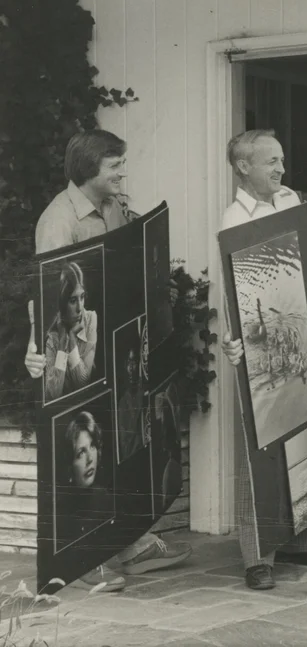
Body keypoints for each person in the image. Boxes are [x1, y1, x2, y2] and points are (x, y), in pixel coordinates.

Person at [23, 129, 191, 592]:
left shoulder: (115, 207)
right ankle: (82, 560)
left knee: (117, 447)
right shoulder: (58, 220)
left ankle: (130, 546)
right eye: (114, 164)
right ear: (88, 168)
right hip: (71, 356)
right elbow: (46, 296)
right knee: (75, 448)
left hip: (113, 346)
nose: (122, 172)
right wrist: (39, 354)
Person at [217, 129, 307, 591]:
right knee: (261, 452)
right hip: (260, 346)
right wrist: (232, 338)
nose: (281, 169)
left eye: (282, 160)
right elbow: (231, 287)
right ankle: (257, 557)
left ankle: (299, 542)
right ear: (244, 167)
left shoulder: (292, 202)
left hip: (300, 337)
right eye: (272, 161)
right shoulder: (234, 217)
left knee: (302, 437)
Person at [57, 411, 115, 553]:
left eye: (92, 446)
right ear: (69, 464)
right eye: (81, 453)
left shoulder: (103, 498)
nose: (90, 458)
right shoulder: (60, 510)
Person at [44, 262, 98, 401]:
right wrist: (62, 343)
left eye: (82, 297)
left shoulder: (91, 319)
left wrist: (73, 340)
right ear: (63, 303)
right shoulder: (52, 338)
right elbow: (53, 395)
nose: (80, 308)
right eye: (73, 300)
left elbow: (84, 384)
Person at [116, 347, 143, 463]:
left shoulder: (144, 393)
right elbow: (125, 446)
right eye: (128, 363)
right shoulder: (123, 403)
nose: (131, 368)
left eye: (134, 362)